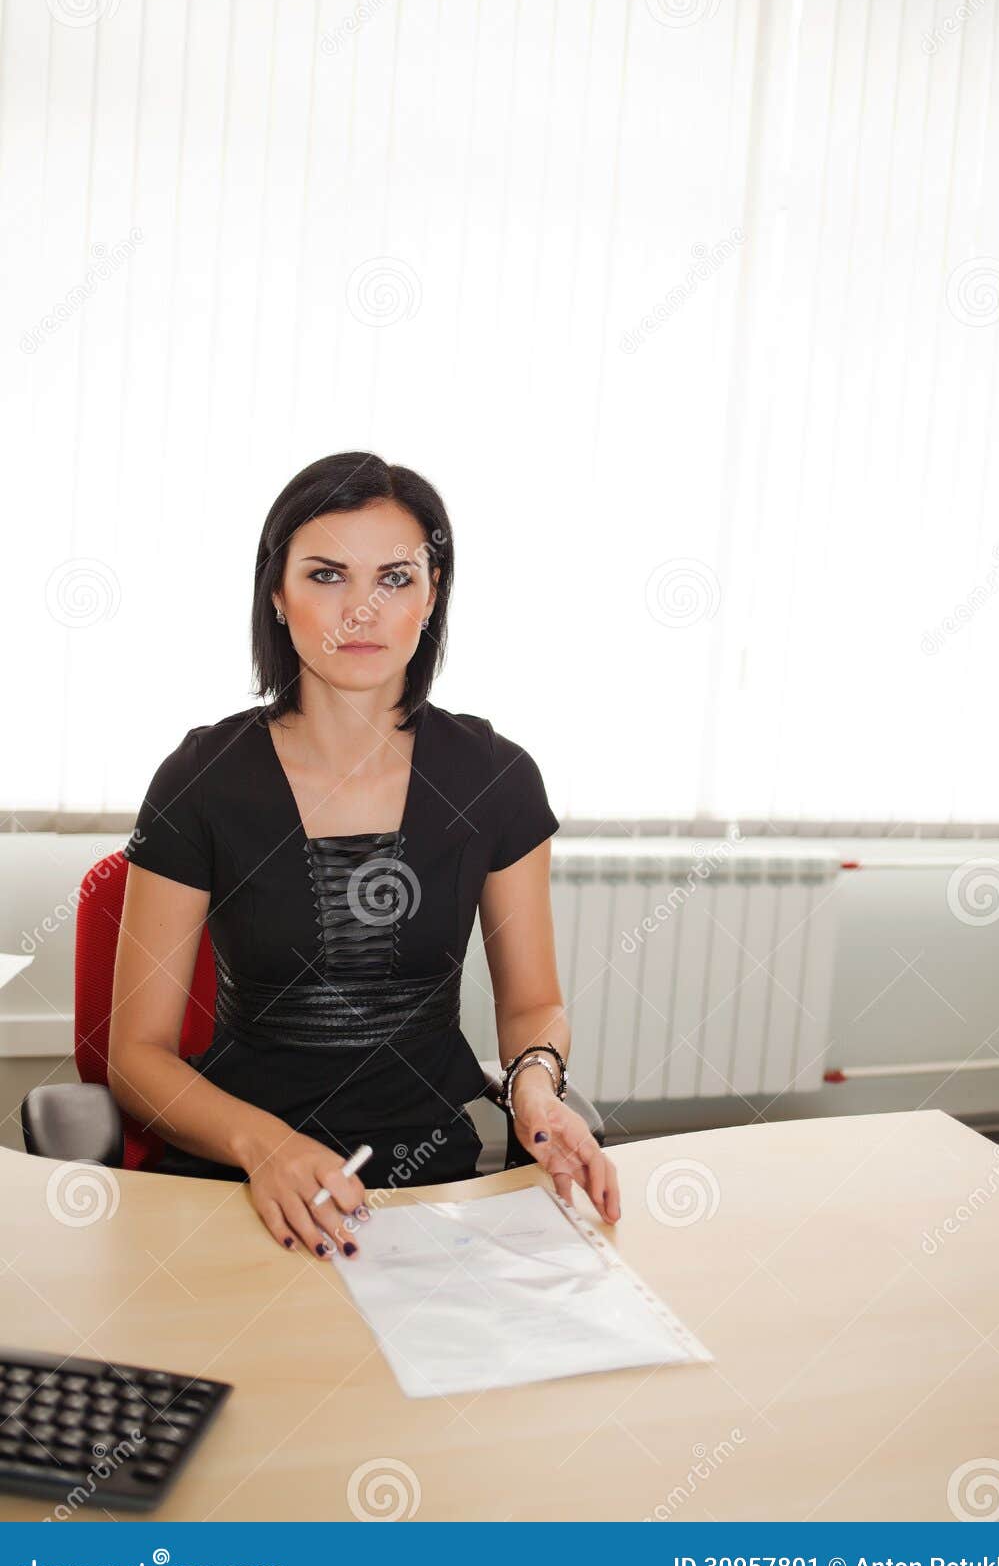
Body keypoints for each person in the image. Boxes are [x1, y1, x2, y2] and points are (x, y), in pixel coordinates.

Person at [109, 450, 621, 1260]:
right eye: (324, 576)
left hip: (438, 1184)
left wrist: (533, 1089)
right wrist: (261, 1146)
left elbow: (530, 1005)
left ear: (432, 592)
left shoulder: (496, 777)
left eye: (393, 577)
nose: (360, 611)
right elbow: (134, 1056)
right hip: (239, 1179)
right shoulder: (202, 778)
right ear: (276, 594)